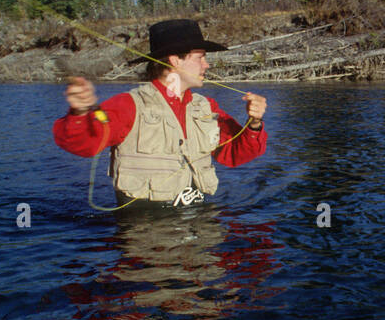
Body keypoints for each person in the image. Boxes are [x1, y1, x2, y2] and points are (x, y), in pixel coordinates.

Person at [54, 19, 267, 207]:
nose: (207, 64)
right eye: (200, 58)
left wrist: (254, 123)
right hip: (146, 233)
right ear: (175, 61)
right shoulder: (128, 105)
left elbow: (235, 154)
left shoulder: (207, 108)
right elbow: (83, 144)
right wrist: (80, 113)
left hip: (200, 228)